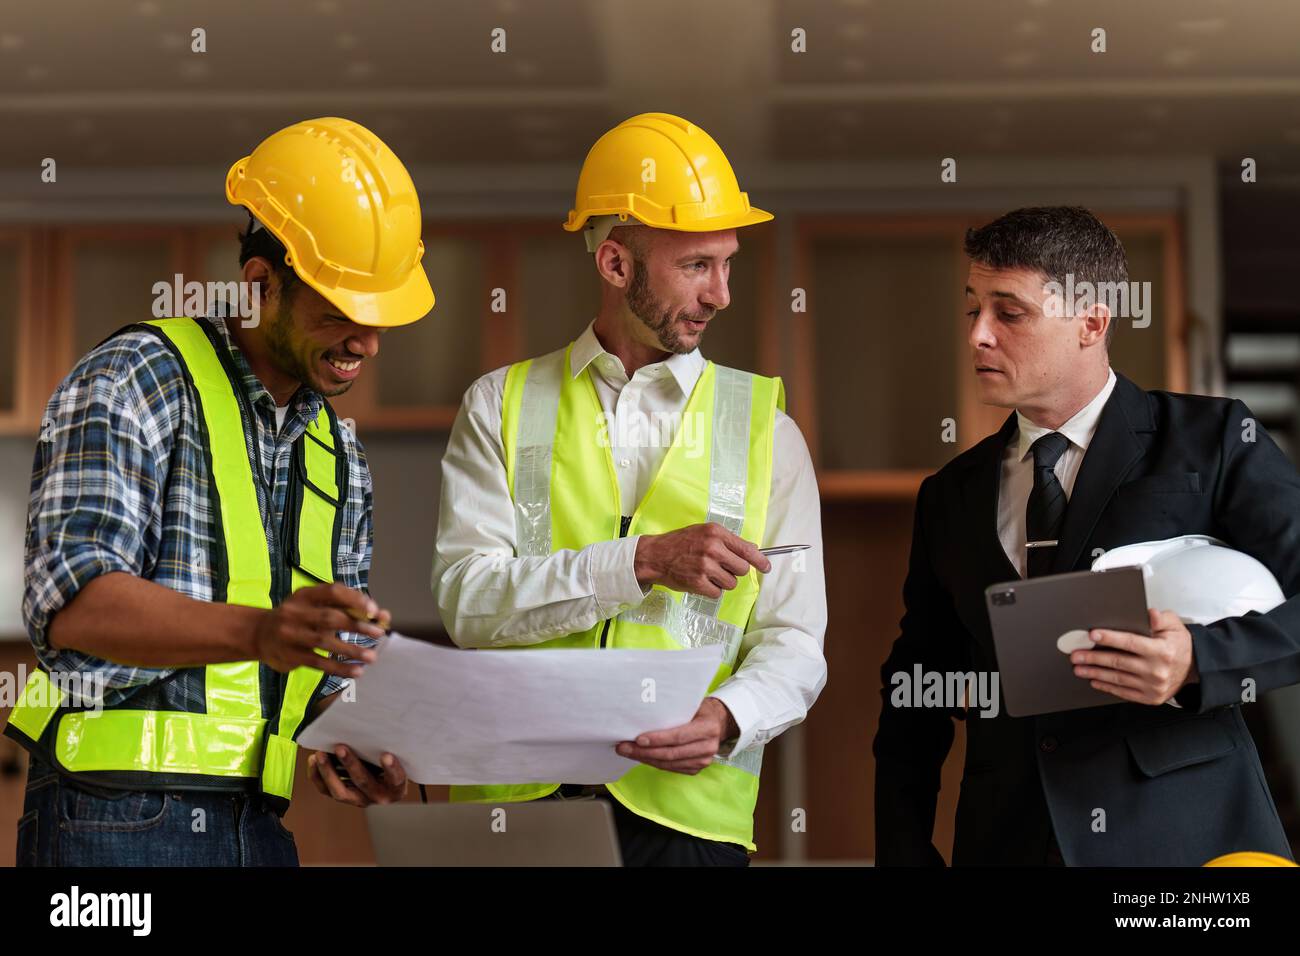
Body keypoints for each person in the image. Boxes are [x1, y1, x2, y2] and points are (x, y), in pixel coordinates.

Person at [5, 117, 432, 866]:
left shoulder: (341, 455)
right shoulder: (138, 375)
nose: (365, 343)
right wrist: (261, 632)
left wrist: (358, 741)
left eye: (377, 319)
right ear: (260, 285)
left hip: (259, 828)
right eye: (340, 312)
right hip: (111, 818)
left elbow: (324, 664)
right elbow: (71, 604)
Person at [414, 112, 825, 865]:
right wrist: (638, 562)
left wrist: (731, 715)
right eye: (697, 266)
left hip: (686, 820)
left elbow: (795, 640)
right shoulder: (499, 404)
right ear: (615, 265)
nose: (722, 293)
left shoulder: (770, 432)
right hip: (518, 807)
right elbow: (468, 603)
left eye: (728, 263)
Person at [873, 206, 1300, 866]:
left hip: (1185, 844)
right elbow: (915, 685)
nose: (979, 335)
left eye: (1008, 312)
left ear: (1092, 322)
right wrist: (902, 852)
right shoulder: (949, 495)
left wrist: (1198, 662)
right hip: (1007, 846)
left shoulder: (1213, 441)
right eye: (972, 309)